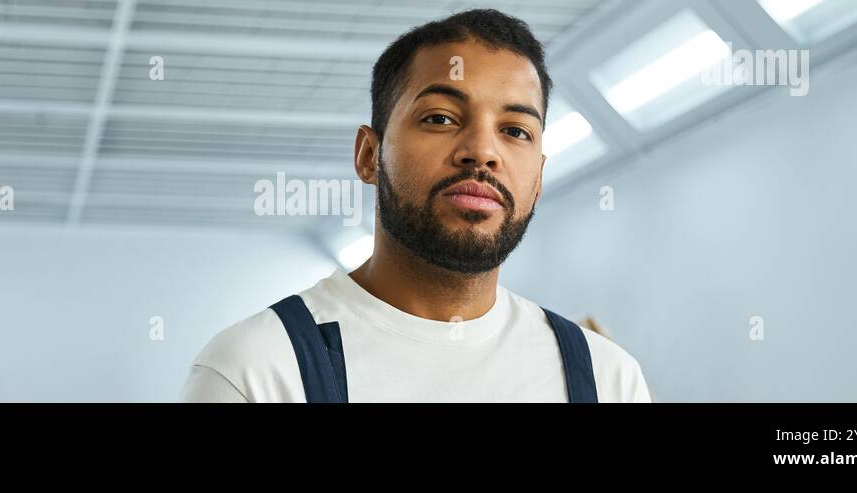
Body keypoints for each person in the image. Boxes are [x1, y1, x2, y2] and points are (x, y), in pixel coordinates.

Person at [180, 9, 652, 403]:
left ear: (539, 178)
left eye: (515, 131)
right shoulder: (257, 371)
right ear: (369, 156)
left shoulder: (608, 378)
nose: (482, 151)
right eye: (441, 118)